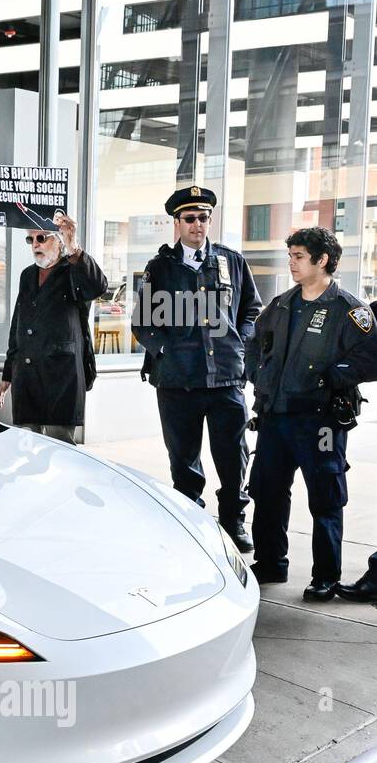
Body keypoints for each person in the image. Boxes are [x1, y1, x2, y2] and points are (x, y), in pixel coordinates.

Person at [244, 226, 377, 601]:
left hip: (320, 421)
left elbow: (370, 357)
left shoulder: (349, 310)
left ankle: (325, 576)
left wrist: (333, 378)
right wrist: (257, 374)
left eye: (299, 257)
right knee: (267, 493)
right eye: (290, 256)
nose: (291, 263)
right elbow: (254, 344)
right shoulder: (281, 304)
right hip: (275, 417)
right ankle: (271, 562)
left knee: (325, 498)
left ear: (322, 260)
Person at [134, 185, 262, 551]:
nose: (197, 225)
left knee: (233, 456)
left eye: (203, 218)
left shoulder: (231, 262)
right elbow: (143, 322)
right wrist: (167, 352)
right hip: (178, 383)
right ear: (177, 222)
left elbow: (251, 309)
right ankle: (191, 522)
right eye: (190, 218)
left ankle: (234, 522)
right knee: (184, 459)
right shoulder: (160, 268)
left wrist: (243, 341)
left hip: (225, 378)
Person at [0, 213, 107, 444]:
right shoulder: (27, 275)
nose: (35, 244)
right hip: (27, 375)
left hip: (62, 375)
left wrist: (74, 247)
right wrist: (9, 371)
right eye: (31, 240)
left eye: (41, 238)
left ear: (58, 241)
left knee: (61, 450)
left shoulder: (74, 269)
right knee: (27, 448)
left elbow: (97, 287)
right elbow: (19, 322)